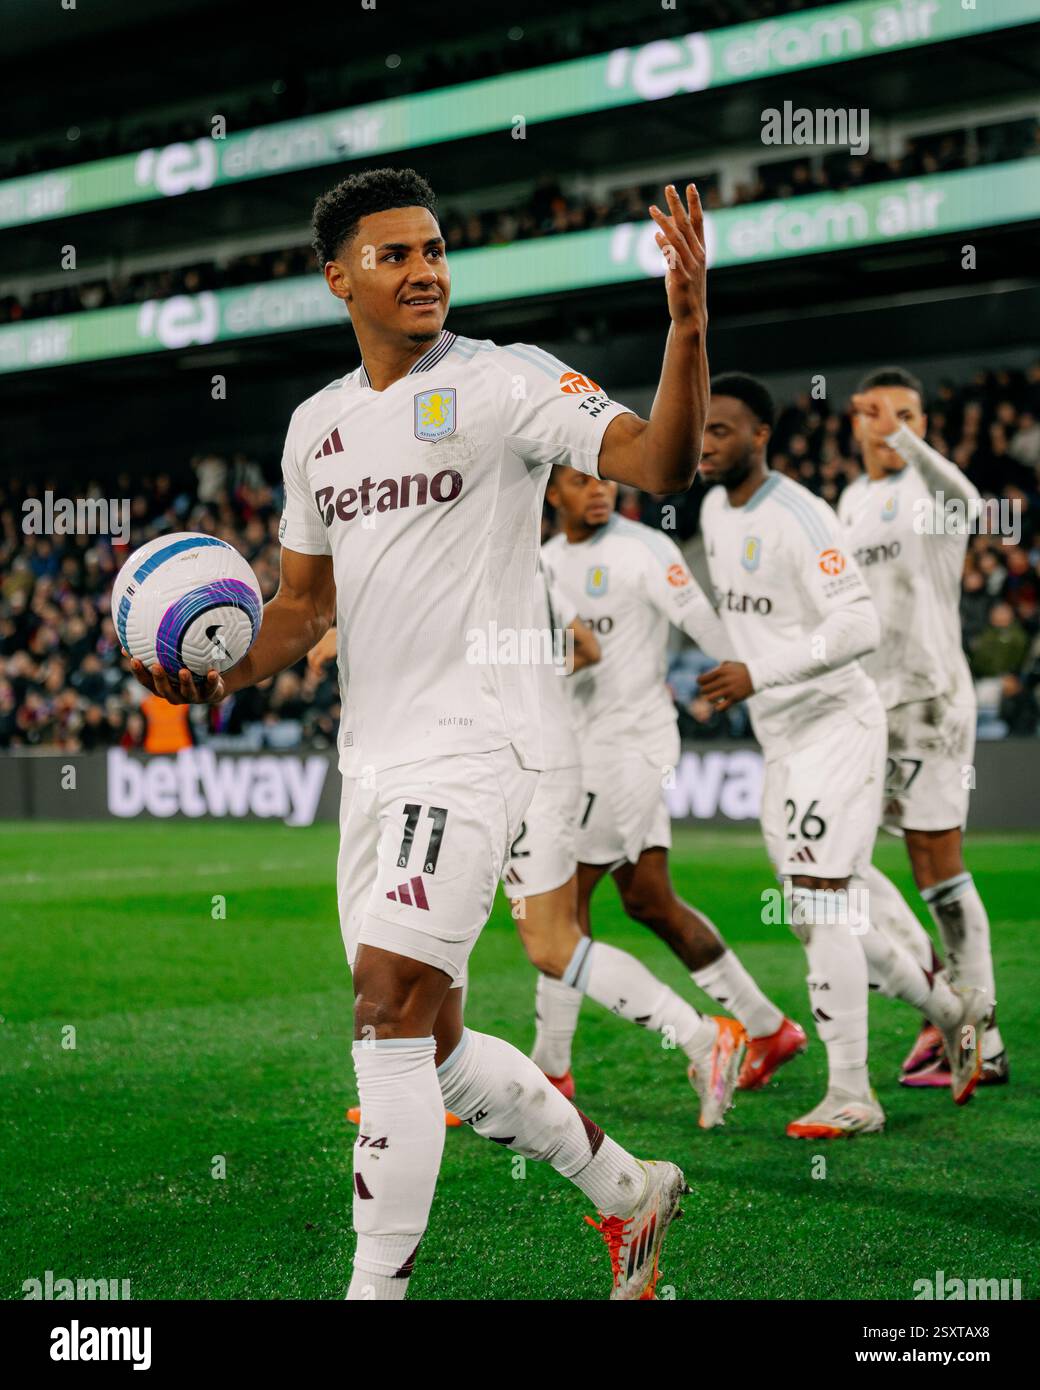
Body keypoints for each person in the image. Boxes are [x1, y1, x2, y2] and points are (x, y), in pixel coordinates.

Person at [124, 166, 713, 1300]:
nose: (424, 269)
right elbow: (302, 604)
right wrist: (226, 674)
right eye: (394, 254)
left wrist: (685, 329)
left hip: (482, 743)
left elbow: (659, 461)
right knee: (430, 1046)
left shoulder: (507, 384)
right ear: (336, 275)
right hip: (376, 762)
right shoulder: (317, 428)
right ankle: (629, 1194)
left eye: (434, 249)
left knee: (383, 1004)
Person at [696, 373, 985, 1139]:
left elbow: (857, 625)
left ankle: (853, 1094)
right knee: (815, 911)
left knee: (825, 902)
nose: (704, 444)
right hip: (781, 739)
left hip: (839, 724)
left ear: (761, 436)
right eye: (699, 429)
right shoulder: (711, 512)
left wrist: (760, 673)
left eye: (721, 430)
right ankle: (948, 1011)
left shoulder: (801, 512)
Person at [528, 467, 807, 1126]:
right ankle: (768, 1027)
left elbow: (705, 623)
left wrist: (759, 673)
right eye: (579, 481)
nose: (599, 491)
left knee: (563, 902)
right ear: (552, 493)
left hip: (629, 749)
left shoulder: (646, 548)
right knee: (650, 899)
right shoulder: (540, 561)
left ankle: (550, 1069)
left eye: (605, 481)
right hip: (582, 748)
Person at [839, 368, 1009, 1085]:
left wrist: (901, 435)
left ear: (921, 425)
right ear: (852, 424)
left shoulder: (930, 492)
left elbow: (969, 499)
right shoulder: (850, 500)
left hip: (931, 701)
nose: (886, 425)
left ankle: (983, 1039)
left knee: (938, 868)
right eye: (875, 414)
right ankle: (939, 998)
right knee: (836, 860)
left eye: (905, 413)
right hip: (871, 708)